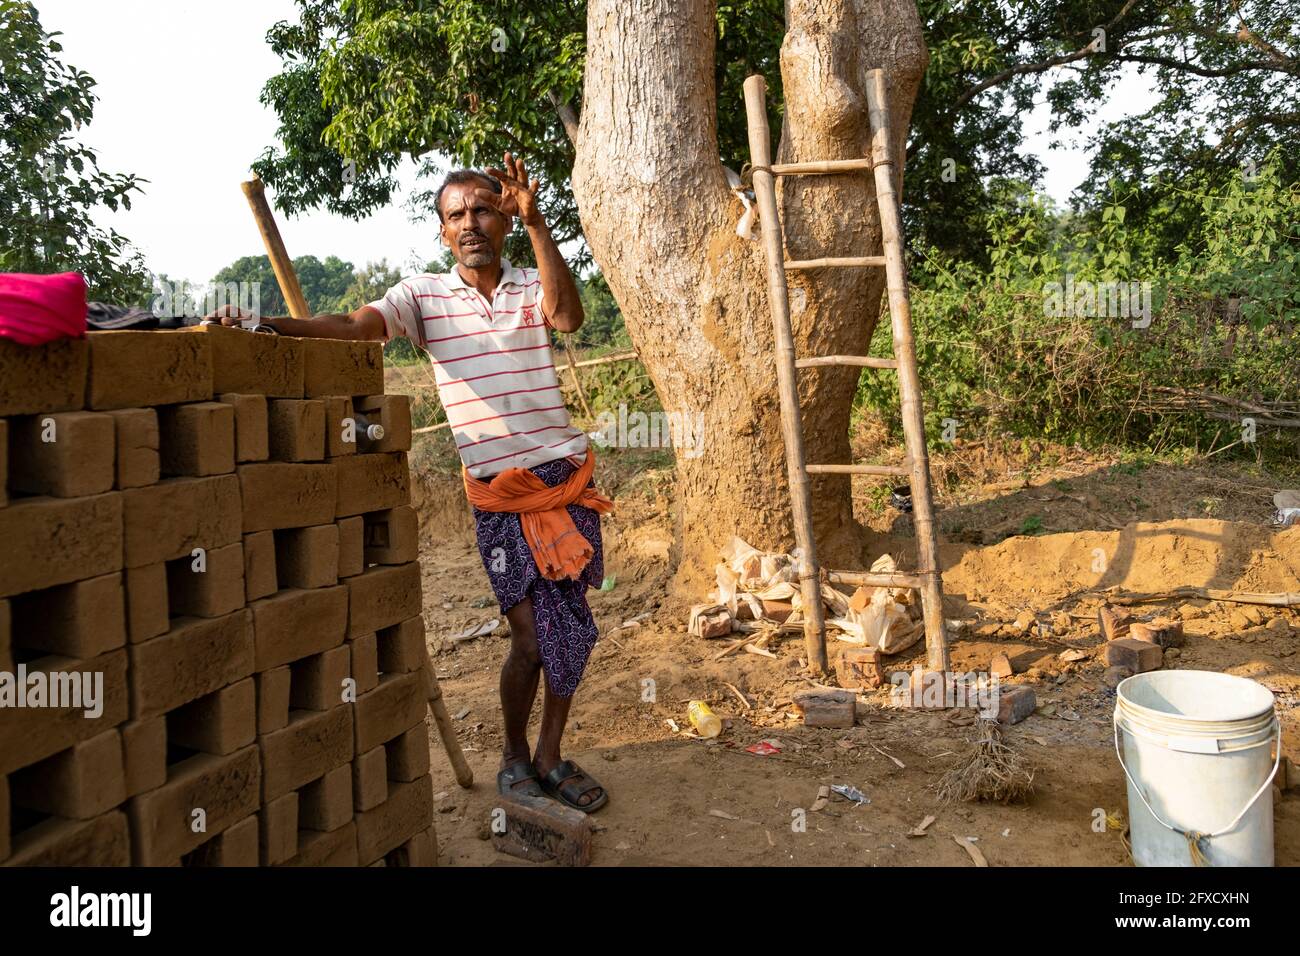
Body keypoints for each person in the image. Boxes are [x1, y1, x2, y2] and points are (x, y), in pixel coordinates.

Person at [213, 154, 611, 811]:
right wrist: (265, 324)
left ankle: (551, 756)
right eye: (456, 216)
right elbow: (351, 330)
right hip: (499, 495)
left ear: (505, 218)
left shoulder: (529, 284)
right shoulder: (422, 298)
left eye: (484, 209)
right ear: (442, 231)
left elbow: (567, 318)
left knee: (571, 627)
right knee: (530, 639)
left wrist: (542, 228)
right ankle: (514, 757)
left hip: (562, 482)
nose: (471, 224)